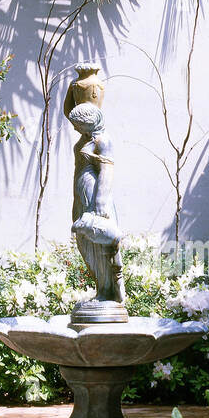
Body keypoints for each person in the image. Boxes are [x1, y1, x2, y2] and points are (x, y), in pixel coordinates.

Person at [67, 101, 125, 306]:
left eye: (77, 124)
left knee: (99, 244)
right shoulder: (86, 136)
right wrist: (73, 88)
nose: (74, 127)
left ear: (88, 123)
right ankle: (101, 287)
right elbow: (68, 111)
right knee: (87, 244)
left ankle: (108, 291)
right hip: (81, 196)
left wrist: (100, 203)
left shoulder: (103, 140)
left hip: (94, 196)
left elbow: (107, 172)